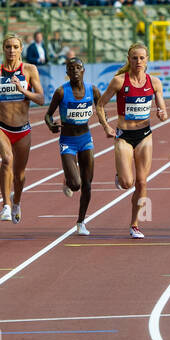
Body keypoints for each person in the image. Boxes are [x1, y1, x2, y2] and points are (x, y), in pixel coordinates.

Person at [98, 43, 168, 238]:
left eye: (142, 58)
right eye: (135, 58)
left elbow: (163, 111)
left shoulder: (154, 82)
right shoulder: (119, 81)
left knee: (142, 182)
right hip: (124, 137)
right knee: (127, 183)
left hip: (145, 135)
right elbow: (100, 105)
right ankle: (120, 175)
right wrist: (106, 126)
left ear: (147, 61)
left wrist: (161, 113)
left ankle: (135, 224)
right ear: (129, 59)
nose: (138, 61)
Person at [0, 35, 44, 223]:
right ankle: (5, 205)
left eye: (15, 47)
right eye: (8, 47)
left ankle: (16, 202)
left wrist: (22, 90)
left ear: (21, 49)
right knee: (6, 160)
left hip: (23, 129)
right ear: (3, 48)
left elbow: (41, 99)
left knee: (19, 174)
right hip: (0, 126)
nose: (11, 50)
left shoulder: (30, 70)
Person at [44, 56, 101, 236]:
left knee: (88, 185)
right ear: (67, 73)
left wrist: (107, 125)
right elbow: (47, 115)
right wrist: (51, 124)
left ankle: (81, 222)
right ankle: (68, 179)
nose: (75, 70)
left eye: (78, 67)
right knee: (76, 185)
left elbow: (101, 109)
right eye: (71, 68)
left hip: (85, 139)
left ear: (83, 70)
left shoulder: (92, 90)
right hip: (68, 141)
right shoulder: (61, 92)